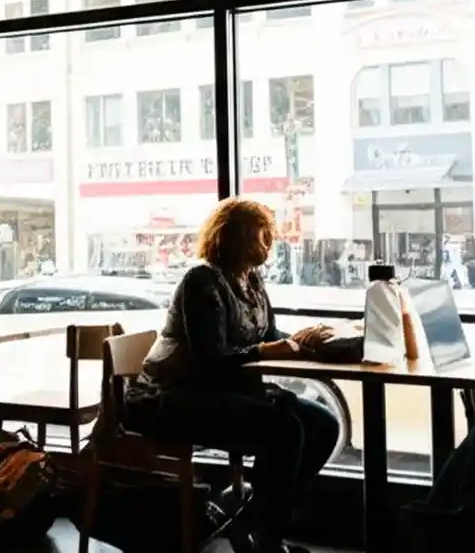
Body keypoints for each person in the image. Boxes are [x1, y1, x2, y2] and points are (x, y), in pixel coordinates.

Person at [124, 198, 341, 553]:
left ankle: (257, 514)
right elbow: (210, 358)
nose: (269, 244)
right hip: (171, 397)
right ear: (234, 237)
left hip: (220, 392)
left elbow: (268, 335)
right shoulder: (202, 281)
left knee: (324, 425)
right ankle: (269, 537)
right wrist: (264, 351)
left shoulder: (252, 281)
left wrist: (305, 341)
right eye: (261, 236)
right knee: (285, 429)